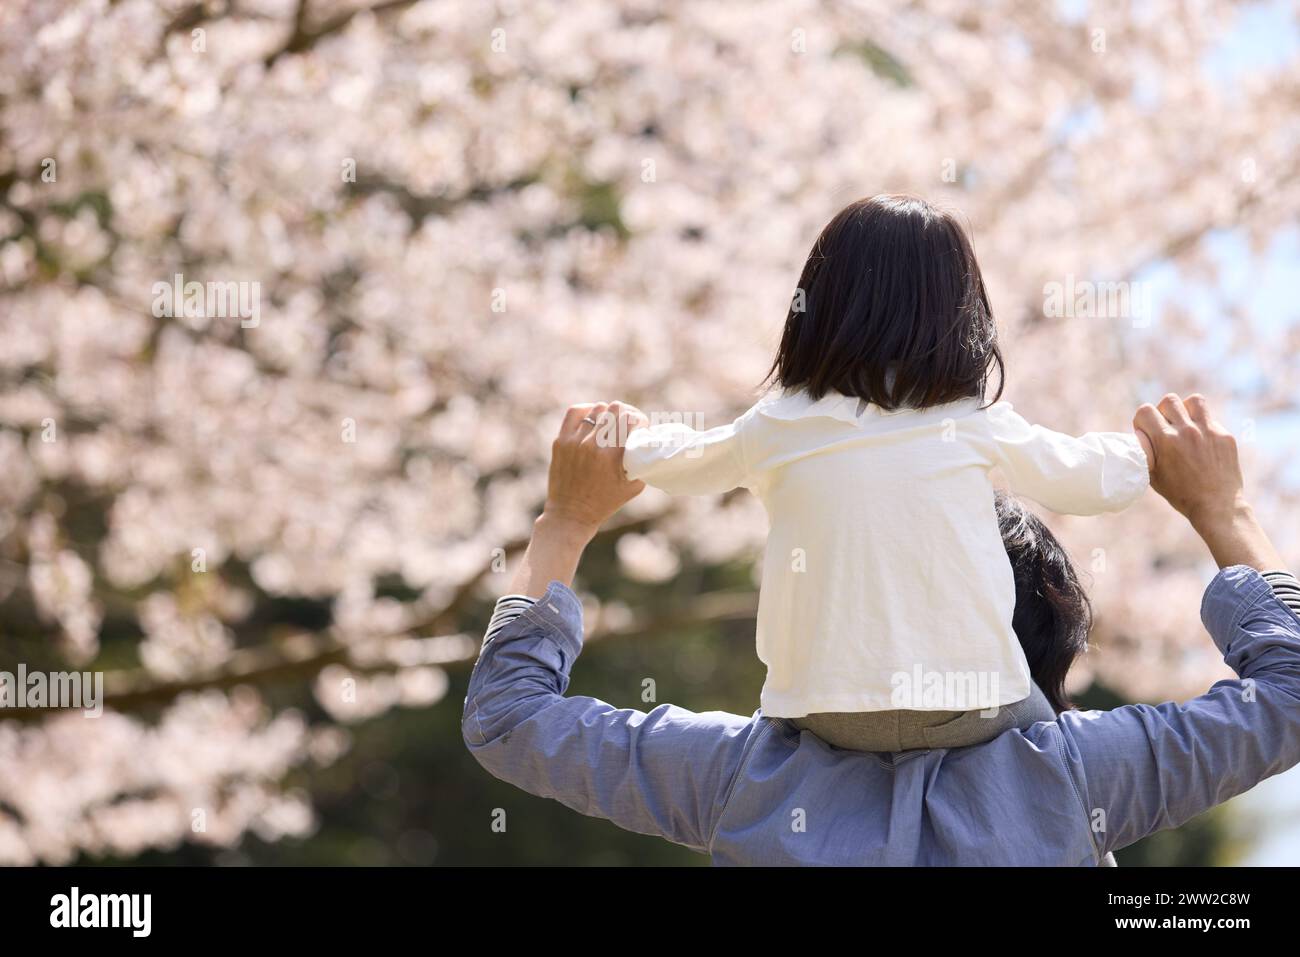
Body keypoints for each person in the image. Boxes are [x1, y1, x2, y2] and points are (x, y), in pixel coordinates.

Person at [462, 394, 1300, 865]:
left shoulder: (736, 778)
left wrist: (565, 523)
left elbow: (509, 718)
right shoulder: (1078, 782)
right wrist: (1222, 512)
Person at [622, 195, 1149, 751]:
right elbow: (1086, 480)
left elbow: (684, 465)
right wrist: (1148, 452)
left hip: (817, 708)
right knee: (1061, 761)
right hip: (971, 700)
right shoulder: (970, 422)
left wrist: (628, 440)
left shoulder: (776, 425)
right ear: (960, 313)